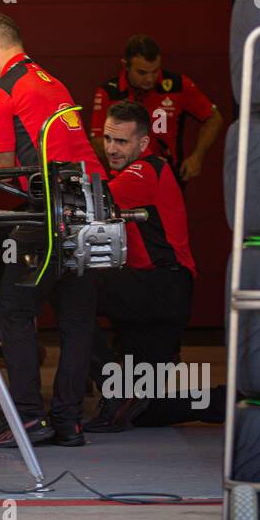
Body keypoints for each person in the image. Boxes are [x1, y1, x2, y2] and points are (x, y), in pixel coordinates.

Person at [0, 13, 105, 449]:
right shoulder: (51, 81)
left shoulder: (1, 90)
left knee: (13, 311)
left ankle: (28, 419)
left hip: (48, 214)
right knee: (76, 319)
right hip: (91, 207)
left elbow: (2, 166)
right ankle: (69, 422)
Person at [87, 100, 220, 430]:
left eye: (122, 141)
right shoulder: (135, 170)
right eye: (107, 139)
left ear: (142, 143)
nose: (112, 149)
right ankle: (232, 401)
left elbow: (92, 206)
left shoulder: (143, 170)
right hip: (155, 291)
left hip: (160, 288)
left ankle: (115, 390)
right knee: (145, 411)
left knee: (70, 288)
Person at [90, 34, 223, 183]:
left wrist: (197, 156)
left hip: (169, 175)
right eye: (142, 73)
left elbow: (213, 117)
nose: (150, 79)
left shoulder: (178, 86)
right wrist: (141, 161)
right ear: (125, 66)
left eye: (155, 71)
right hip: (125, 177)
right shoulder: (109, 93)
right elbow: (97, 142)